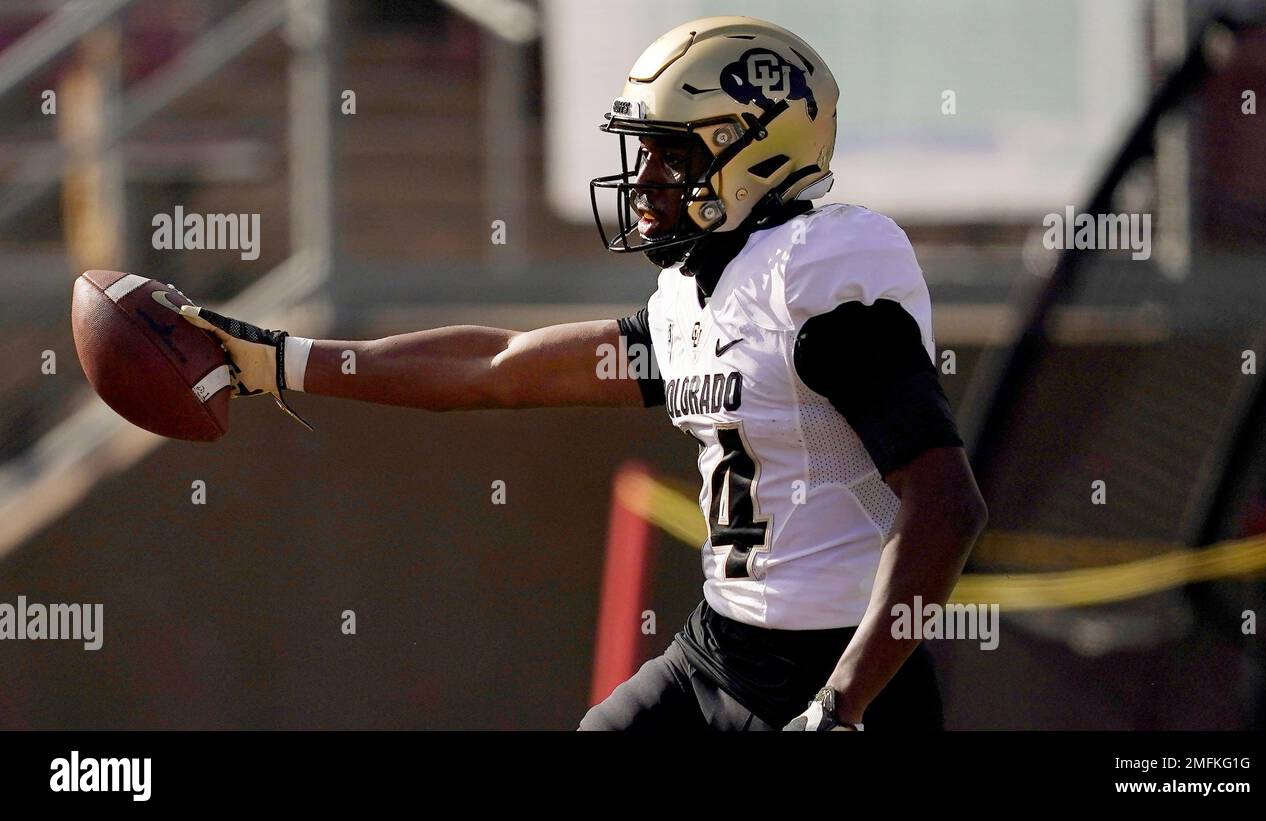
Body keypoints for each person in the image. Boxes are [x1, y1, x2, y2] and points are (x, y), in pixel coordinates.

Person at [178, 16, 987, 731]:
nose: (642, 183)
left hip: (847, 674)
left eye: (671, 158)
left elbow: (948, 505)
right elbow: (493, 368)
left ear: (757, 152)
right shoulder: (697, 295)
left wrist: (842, 706)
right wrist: (282, 360)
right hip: (720, 655)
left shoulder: (816, 280)